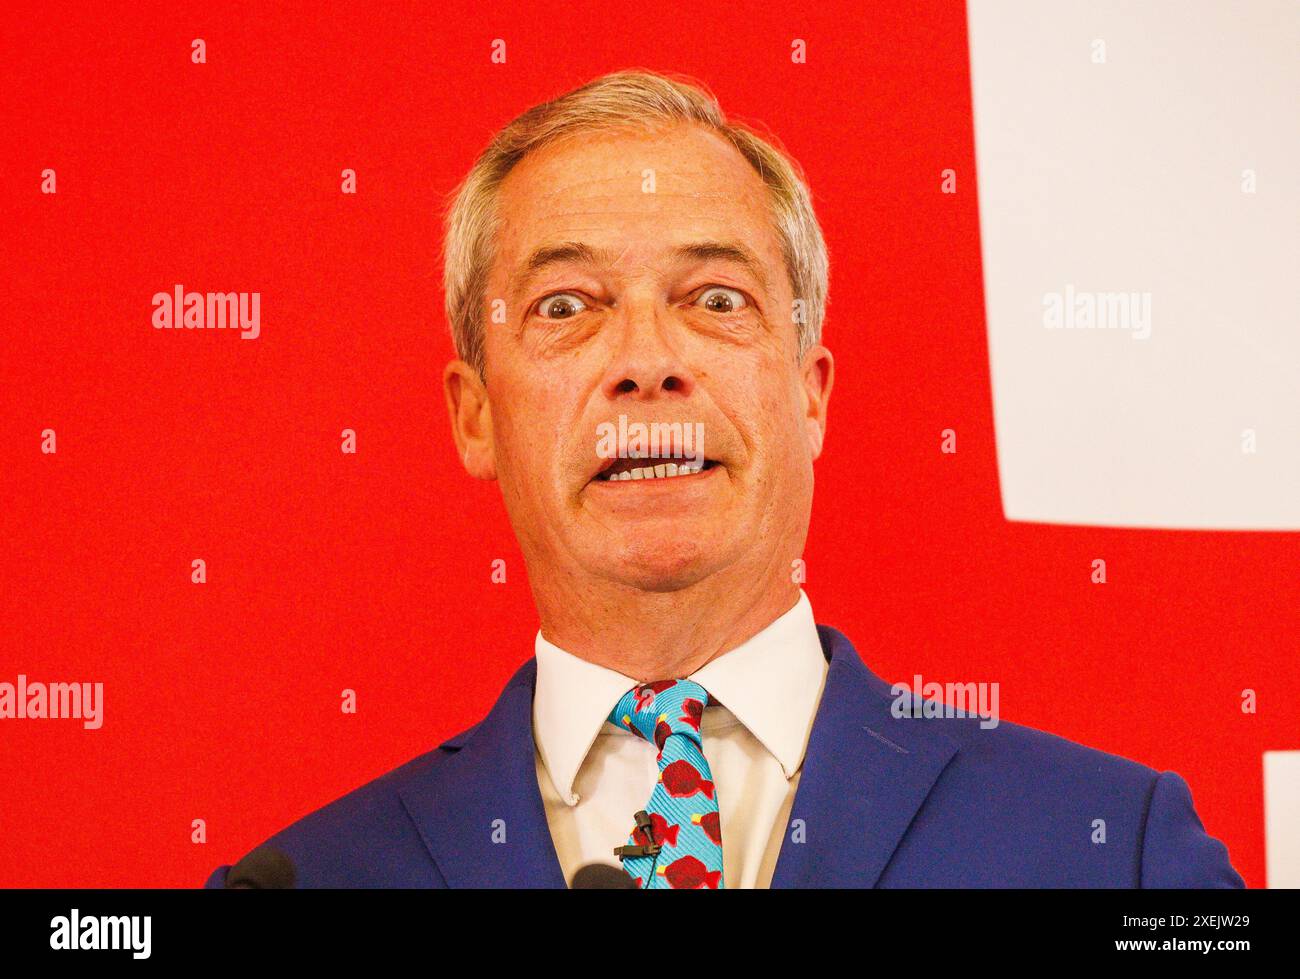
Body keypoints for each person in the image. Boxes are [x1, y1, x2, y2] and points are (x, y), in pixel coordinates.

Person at [205, 70, 1242, 889]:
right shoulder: (310, 879)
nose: (646, 358)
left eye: (714, 298)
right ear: (475, 414)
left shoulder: (1110, 849)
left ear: (810, 393)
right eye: (567, 307)